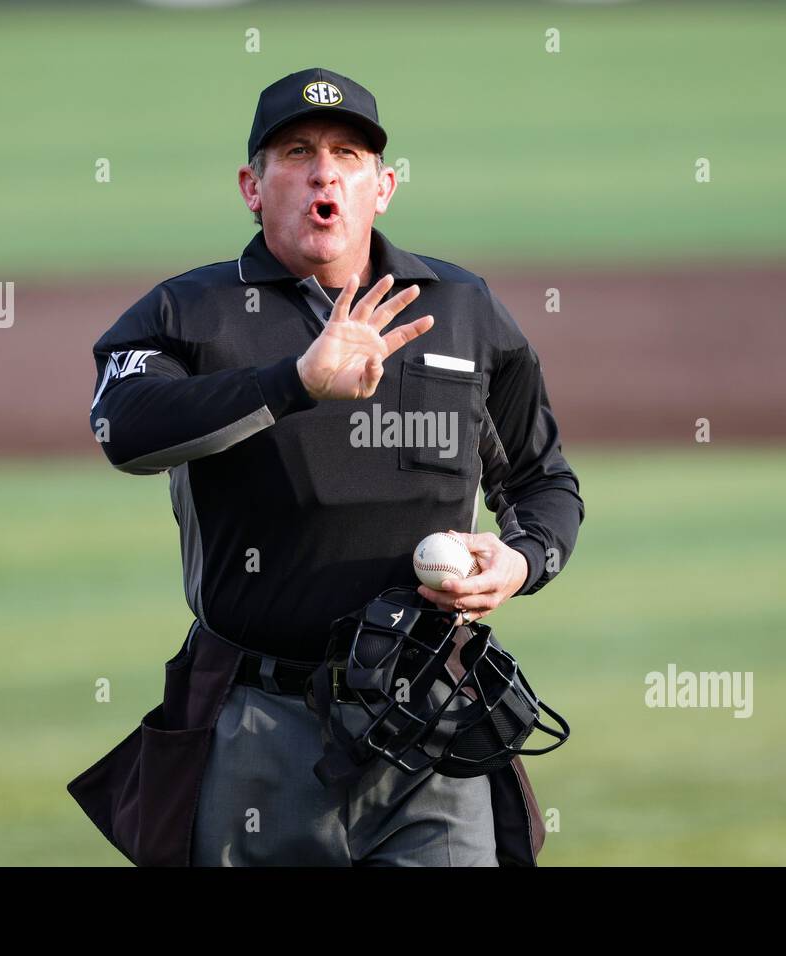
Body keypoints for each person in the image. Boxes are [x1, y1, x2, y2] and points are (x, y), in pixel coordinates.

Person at [85, 67, 584, 866]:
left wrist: (519, 562)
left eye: (349, 155)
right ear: (252, 185)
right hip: (256, 728)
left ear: (381, 186)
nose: (324, 172)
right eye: (297, 152)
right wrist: (293, 384)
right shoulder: (190, 313)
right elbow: (124, 430)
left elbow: (541, 482)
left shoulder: (461, 309)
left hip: (430, 723)